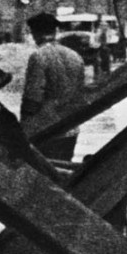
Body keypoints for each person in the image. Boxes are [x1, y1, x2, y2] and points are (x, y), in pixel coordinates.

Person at [21, 11, 86, 161]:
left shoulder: (39, 56)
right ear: (54, 31)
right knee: (63, 169)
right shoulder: (75, 56)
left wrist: (24, 126)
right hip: (70, 127)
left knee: (43, 173)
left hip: (45, 129)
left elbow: (33, 95)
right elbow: (80, 93)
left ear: (35, 33)